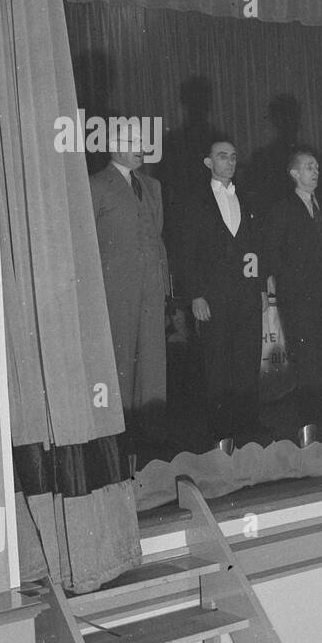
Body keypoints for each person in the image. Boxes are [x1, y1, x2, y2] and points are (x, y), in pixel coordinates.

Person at [181, 139, 267, 443]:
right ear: (208, 162)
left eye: (233, 157)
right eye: (222, 157)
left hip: (245, 294)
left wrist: (259, 289)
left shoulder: (248, 196)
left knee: (247, 358)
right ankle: (221, 431)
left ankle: (248, 428)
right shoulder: (194, 200)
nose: (229, 162)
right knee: (217, 363)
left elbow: (256, 246)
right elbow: (186, 251)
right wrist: (195, 294)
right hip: (213, 297)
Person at [89, 144, 171, 443]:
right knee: (120, 357)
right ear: (114, 149)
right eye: (133, 144)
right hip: (116, 287)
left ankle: (152, 432)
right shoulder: (96, 184)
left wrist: (163, 282)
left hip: (151, 286)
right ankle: (119, 433)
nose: (141, 150)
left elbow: (156, 234)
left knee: (152, 359)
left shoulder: (152, 186)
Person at [263, 148, 322, 425]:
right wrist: (290, 286)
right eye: (309, 167)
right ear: (294, 173)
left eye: (317, 168)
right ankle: (312, 420)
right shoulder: (283, 207)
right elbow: (273, 253)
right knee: (307, 359)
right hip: (299, 299)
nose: (316, 172)